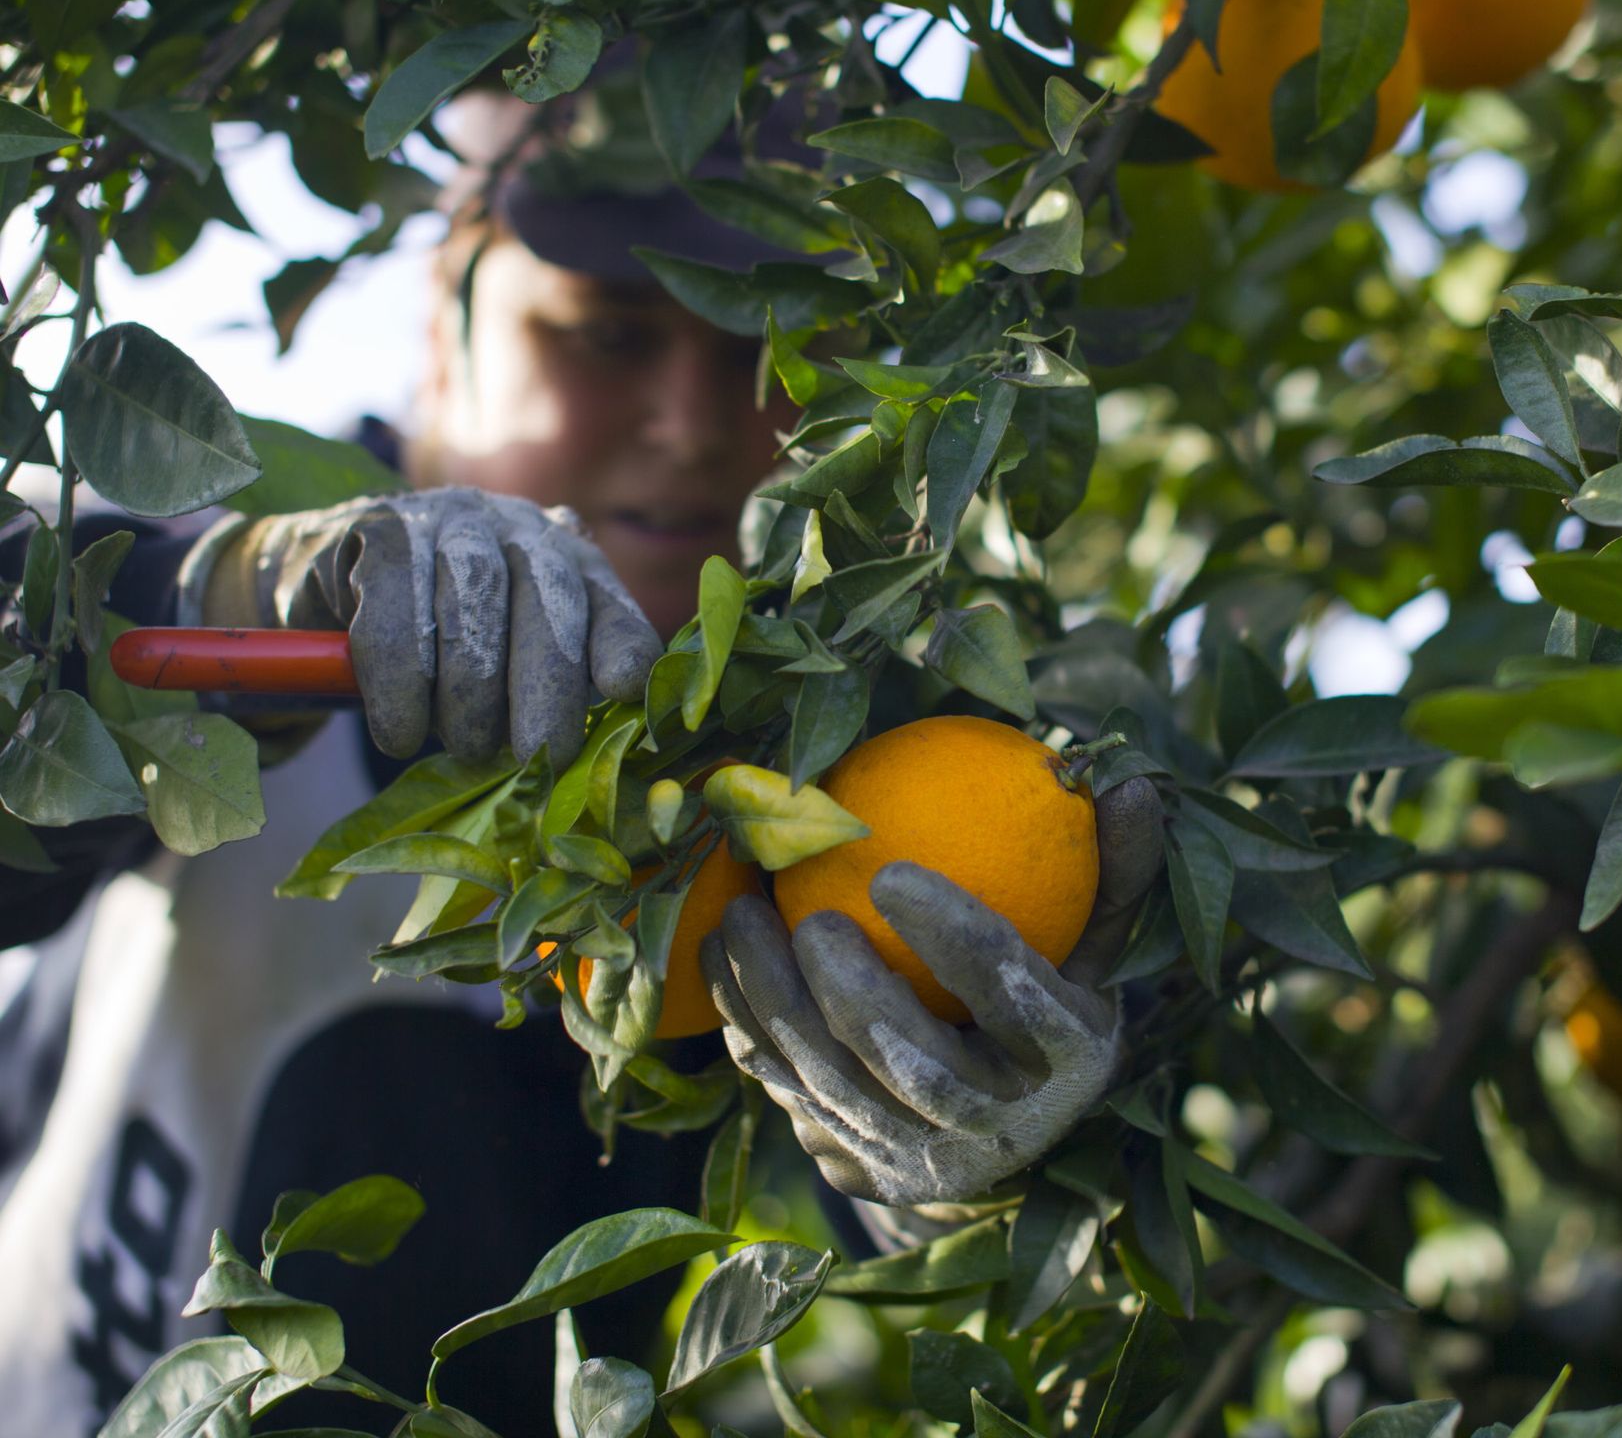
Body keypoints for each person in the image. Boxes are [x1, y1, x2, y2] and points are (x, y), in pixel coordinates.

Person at [0, 84, 1158, 1433]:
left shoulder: (849, 771)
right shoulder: (229, 555)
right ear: (443, 330)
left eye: (774, 355)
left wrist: (970, 1180)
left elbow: (937, 1266)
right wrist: (235, 595)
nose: (693, 427)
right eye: (605, 335)